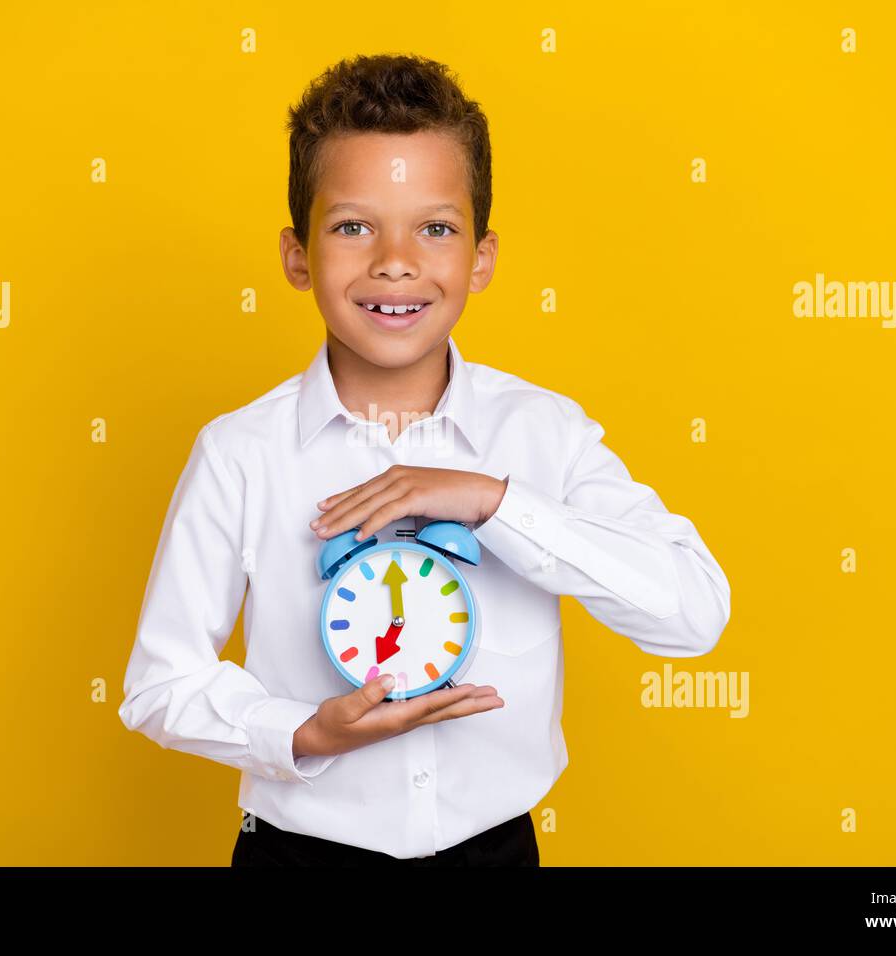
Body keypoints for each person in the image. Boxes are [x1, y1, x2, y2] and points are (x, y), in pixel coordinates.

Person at [117, 53, 731, 865]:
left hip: (494, 853)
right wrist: (299, 731)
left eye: (435, 228)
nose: (394, 261)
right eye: (353, 226)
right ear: (298, 257)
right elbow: (160, 682)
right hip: (303, 855)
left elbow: (692, 613)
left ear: (481, 257)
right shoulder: (240, 454)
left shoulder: (542, 435)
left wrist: (495, 502)